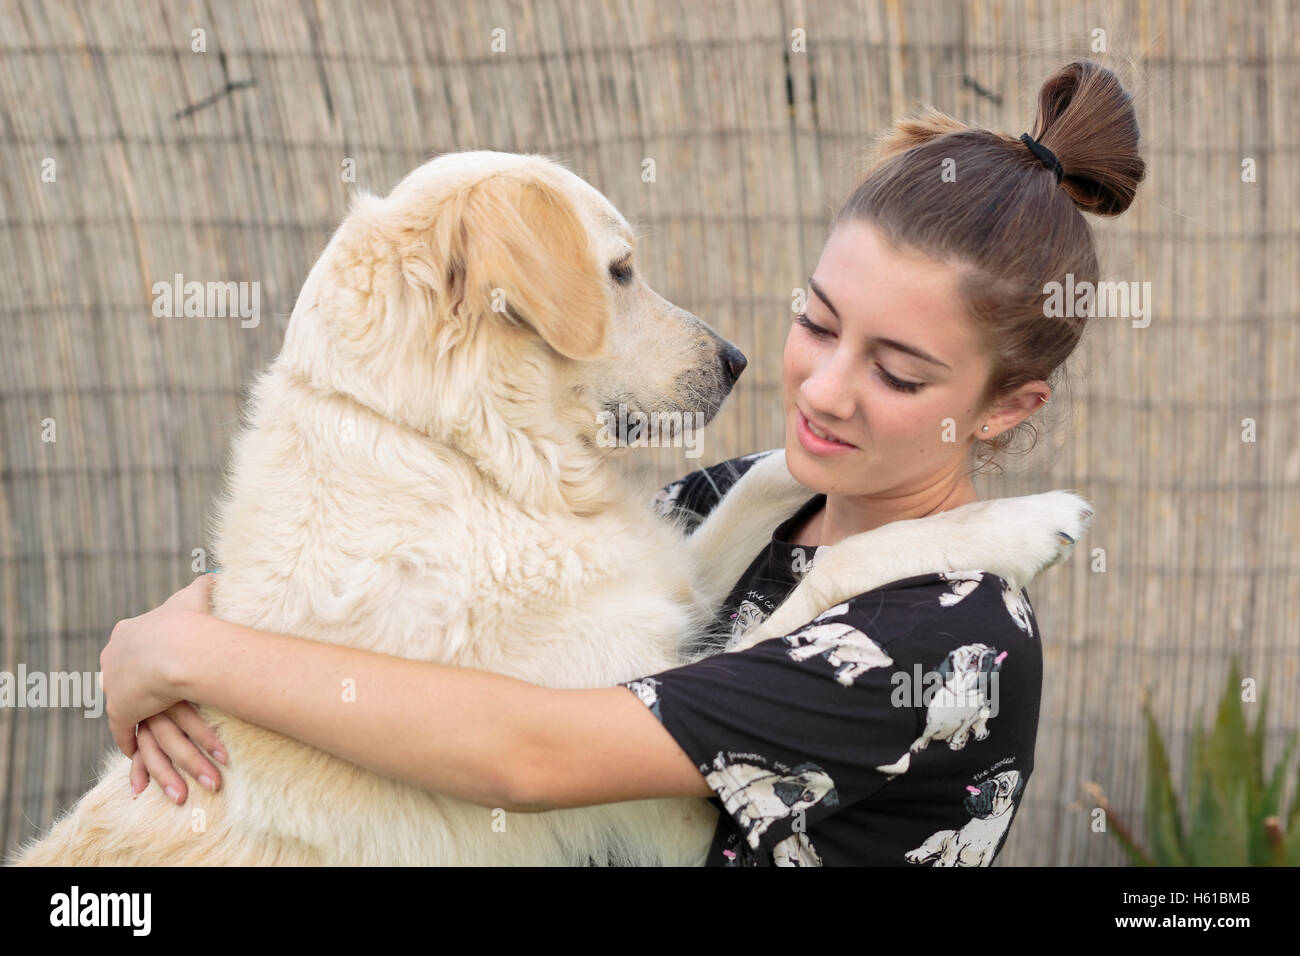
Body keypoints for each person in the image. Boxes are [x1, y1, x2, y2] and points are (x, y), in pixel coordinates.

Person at [99, 60, 1144, 866]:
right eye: (816, 323)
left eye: (899, 374)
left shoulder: (958, 629)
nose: (821, 389)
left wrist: (193, 656)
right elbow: (402, 630)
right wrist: (181, 623)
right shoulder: (738, 502)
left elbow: (545, 756)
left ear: (1007, 406)